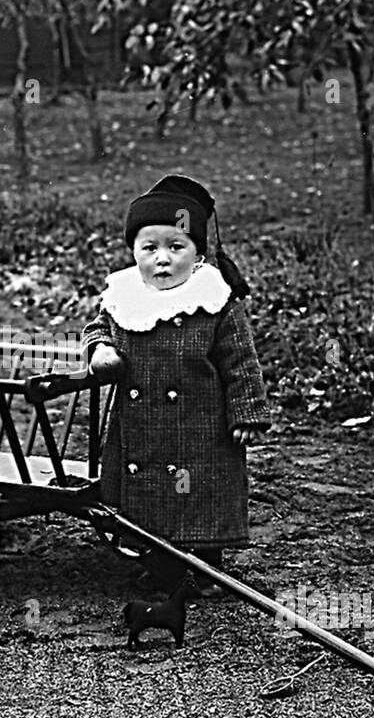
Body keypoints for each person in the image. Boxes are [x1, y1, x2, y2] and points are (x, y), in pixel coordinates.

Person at [83, 174, 270, 594]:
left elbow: (240, 361)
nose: (162, 260)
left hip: (199, 427)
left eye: (176, 247)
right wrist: (99, 349)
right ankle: (158, 564)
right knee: (149, 497)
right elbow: (96, 327)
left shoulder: (214, 301)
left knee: (201, 494)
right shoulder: (124, 296)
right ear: (134, 252)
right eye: (149, 248)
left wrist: (247, 413)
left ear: (198, 254)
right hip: (143, 424)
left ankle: (206, 567)